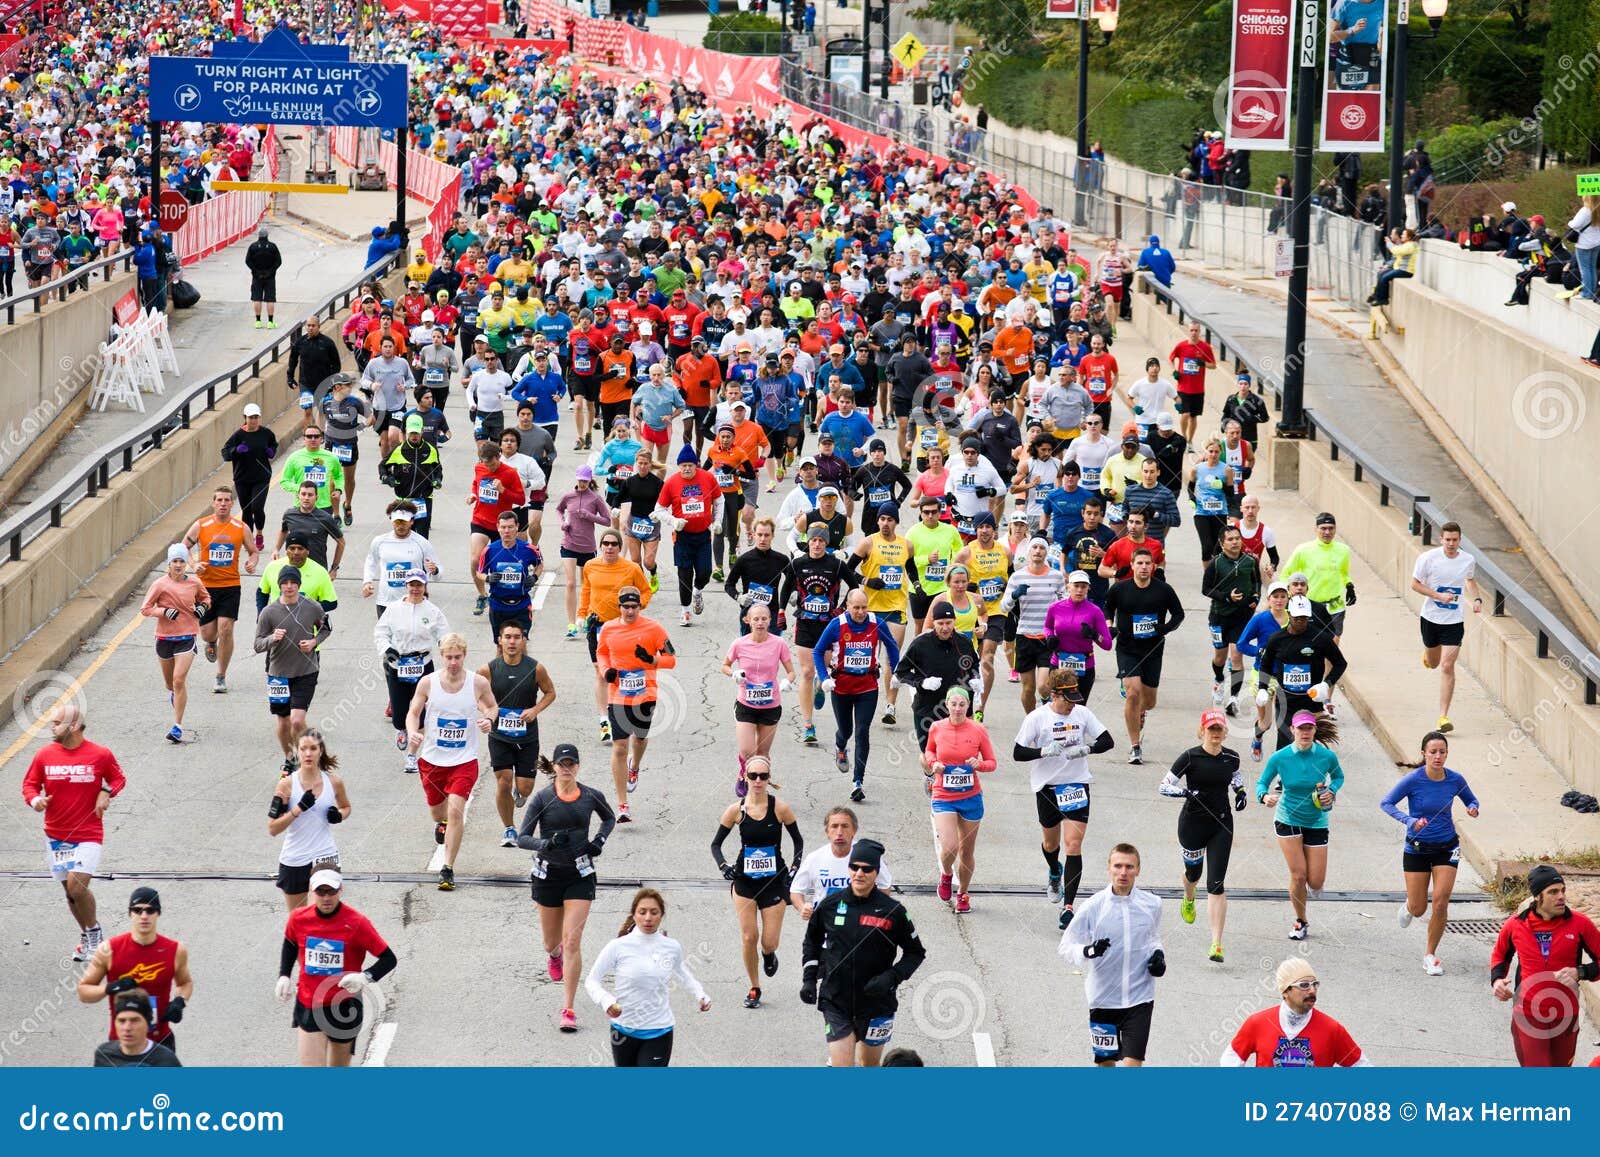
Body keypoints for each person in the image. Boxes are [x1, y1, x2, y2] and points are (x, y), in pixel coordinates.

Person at [799, 838, 926, 1068]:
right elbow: (812, 941)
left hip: (877, 1004)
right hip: (836, 1000)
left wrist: (891, 978)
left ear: (876, 873)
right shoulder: (830, 905)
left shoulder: (893, 912)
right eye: (854, 867)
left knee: (869, 1066)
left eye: (866, 869)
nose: (859, 873)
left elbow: (915, 953)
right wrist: (809, 979)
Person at [517, 744, 617, 1033]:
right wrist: (545, 844)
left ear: (578, 766)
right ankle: (553, 955)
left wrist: (599, 841)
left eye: (571, 763)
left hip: (580, 873)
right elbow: (522, 837)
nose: (566, 768)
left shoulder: (590, 796)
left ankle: (569, 1008)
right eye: (562, 763)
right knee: (553, 942)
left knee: (573, 941)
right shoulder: (543, 798)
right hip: (547, 874)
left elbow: (609, 818)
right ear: (556, 766)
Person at [23, 704, 125, 961]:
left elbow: (118, 778)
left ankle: (95, 933)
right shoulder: (44, 755)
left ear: (74, 726)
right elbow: (30, 785)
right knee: (69, 893)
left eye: (56, 723)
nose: (52, 727)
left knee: (77, 888)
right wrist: (35, 801)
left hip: (88, 833)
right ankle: (88, 935)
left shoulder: (100, 754)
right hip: (56, 836)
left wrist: (106, 792)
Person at [1013, 668, 1115, 924]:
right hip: (1047, 786)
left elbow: (1108, 741)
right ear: (1054, 695)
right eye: (1067, 700)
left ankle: (1068, 906)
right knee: (1051, 844)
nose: (1072, 706)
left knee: (1073, 845)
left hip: (1075, 784)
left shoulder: (1082, 714)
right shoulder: (1037, 718)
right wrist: (1043, 751)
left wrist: (1086, 748)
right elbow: (1017, 752)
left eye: (1075, 700)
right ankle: (1054, 870)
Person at [275, 869, 396, 1067]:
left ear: (341, 890)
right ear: (312, 892)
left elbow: (389, 959)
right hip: (309, 1003)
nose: (326, 897)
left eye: (331, 891)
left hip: (343, 1005)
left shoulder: (356, 923)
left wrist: (365, 977)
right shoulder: (298, 918)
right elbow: (290, 943)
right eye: (320, 892)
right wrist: (284, 975)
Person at [1383, 731, 1481, 975]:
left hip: (1447, 847)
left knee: (1440, 902)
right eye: (1433, 752)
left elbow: (1472, 800)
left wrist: (1472, 808)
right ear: (1424, 754)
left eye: (1442, 752)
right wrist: (1409, 820)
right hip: (1417, 848)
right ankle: (1409, 906)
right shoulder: (1413, 780)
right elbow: (1386, 803)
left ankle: (1430, 955)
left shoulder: (1455, 779)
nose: (1438, 756)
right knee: (1419, 909)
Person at [1058, 843, 1165, 1066]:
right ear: (1109, 868)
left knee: (1132, 1063)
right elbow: (1066, 946)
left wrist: (1158, 955)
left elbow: (1153, 937)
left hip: (1140, 998)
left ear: (1138, 869)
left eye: (1129, 867)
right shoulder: (1093, 906)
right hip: (1103, 1000)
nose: (1123, 872)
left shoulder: (1152, 904)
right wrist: (1089, 950)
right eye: (1118, 866)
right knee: (1106, 1065)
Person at [406, 632, 497, 892]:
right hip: (433, 759)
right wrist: (413, 730)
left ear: (464, 656)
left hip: (464, 760)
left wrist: (488, 720)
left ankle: (447, 867)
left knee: (456, 809)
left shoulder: (477, 683)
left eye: (458, 657)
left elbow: (492, 706)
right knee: (438, 811)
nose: (453, 662)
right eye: (449, 657)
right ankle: (441, 823)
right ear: (441, 657)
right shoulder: (428, 683)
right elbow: (413, 713)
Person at [712, 755, 803, 1009]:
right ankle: (754, 987)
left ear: (769, 779)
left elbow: (798, 841)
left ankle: (768, 954)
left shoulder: (780, 809)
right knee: (749, 936)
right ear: (745, 778)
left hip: (774, 882)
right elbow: (715, 844)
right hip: (744, 882)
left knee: (769, 941)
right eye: (753, 776)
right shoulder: (736, 811)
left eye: (763, 776)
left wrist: (794, 869)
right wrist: (723, 866)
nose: (758, 781)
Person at [584, 888, 711, 1067]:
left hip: (659, 1030)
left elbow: (684, 974)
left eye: (654, 912)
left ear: (661, 915)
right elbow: (592, 981)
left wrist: (701, 994)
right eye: (642, 912)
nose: (648, 918)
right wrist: (606, 1001)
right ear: (634, 915)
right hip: (623, 1030)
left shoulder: (671, 947)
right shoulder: (618, 946)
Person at [1490, 863, 1600, 1066]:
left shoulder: (1580, 924)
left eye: (1563, 890)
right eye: (1553, 892)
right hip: (1527, 1014)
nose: (1561, 896)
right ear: (1538, 896)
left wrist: (1581, 971)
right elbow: (1500, 956)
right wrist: (1497, 981)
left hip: (1566, 1015)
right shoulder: (1515, 925)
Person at [1162, 711, 1247, 962]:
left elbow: (1235, 775)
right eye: (1211, 729)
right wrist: (1186, 794)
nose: (1216, 733)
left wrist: (1240, 791)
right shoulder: (1190, 757)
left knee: (1216, 884)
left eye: (1219, 728)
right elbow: (1164, 785)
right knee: (1194, 874)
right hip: (1192, 824)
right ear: (1202, 731)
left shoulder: (1231, 757)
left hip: (1221, 823)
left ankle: (1216, 944)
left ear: (1225, 732)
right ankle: (1188, 897)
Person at [1256, 710, 1345, 941]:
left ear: (1314, 731)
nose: (1305, 733)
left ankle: (1311, 890)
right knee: (1298, 875)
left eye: (1309, 728)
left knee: (1315, 882)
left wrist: (1332, 792)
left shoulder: (1326, 756)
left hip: (1316, 820)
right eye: (1301, 728)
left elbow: (1338, 777)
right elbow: (1262, 783)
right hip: (1288, 819)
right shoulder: (1280, 757)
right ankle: (1301, 920)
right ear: (1292, 730)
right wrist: (1265, 797)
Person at [78, 887, 193, 1057]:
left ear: (158, 914)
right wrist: (109, 989)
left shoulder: (175, 950)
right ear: (130, 913)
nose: (144, 916)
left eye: (150, 910)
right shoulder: (109, 949)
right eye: (138, 910)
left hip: (160, 1042)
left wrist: (179, 1001)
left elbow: (185, 983)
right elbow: (83, 991)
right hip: (121, 1045)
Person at [593, 584, 675, 820]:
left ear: (640, 606)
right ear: (619, 608)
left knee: (639, 739)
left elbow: (672, 659)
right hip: (618, 695)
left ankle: (635, 767)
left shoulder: (654, 628)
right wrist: (607, 670)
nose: (630, 611)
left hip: (646, 694)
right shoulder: (608, 629)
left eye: (634, 607)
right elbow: (602, 652)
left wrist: (651, 659)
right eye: (626, 607)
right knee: (619, 746)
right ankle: (622, 805)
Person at [813, 587, 900, 802]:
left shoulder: (876, 622)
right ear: (848, 606)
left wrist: (897, 671)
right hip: (841, 686)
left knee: (862, 731)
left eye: (864, 607)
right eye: (856, 608)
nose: (860, 612)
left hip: (867, 687)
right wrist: (824, 677)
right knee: (846, 730)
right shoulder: (837, 625)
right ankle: (840, 746)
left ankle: (857, 781)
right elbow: (817, 651)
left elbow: (892, 647)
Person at [1103, 548, 1184, 764]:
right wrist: (1109, 625)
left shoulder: (1164, 590)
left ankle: (1141, 710)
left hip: (1153, 650)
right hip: (1127, 648)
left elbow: (1179, 614)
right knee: (1132, 693)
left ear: (1154, 566)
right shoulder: (1120, 589)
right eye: (1140, 563)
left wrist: (1164, 629)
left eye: (1148, 563)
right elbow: (1107, 609)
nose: (1144, 567)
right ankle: (1135, 746)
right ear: (1132, 565)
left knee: (1148, 701)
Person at [922, 685, 997, 914]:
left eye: (962, 704)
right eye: (953, 704)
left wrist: (979, 764)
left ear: (968, 706)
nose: (957, 709)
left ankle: (963, 892)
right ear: (946, 705)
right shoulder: (936, 727)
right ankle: (946, 875)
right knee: (950, 846)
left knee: (966, 852)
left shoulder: (978, 730)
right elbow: (929, 752)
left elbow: (992, 762)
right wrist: (934, 764)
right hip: (944, 795)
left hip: (971, 797)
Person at [481, 621, 556, 847]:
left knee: (524, 788)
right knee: (503, 782)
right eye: (508, 637)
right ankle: (509, 829)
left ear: (523, 641)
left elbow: (550, 693)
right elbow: (476, 696)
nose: (512, 642)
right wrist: (488, 713)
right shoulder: (488, 670)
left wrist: (535, 710)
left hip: (527, 737)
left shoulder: (535, 668)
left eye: (517, 637)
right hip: (499, 736)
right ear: (500, 641)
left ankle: (519, 794)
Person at [1221, 957, 1369, 1066]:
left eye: (1315, 984)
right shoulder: (1258, 1023)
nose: (1312, 990)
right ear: (1285, 991)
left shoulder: (1332, 1030)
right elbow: (1230, 1060)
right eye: (1304, 985)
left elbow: (1362, 1066)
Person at [255, 567, 332, 772]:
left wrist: (314, 642)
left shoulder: (312, 607)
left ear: (298, 584)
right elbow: (257, 644)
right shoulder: (269, 612)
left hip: (306, 670)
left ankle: (314, 750)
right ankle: (290, 758)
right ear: (279, 585)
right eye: (285, 583)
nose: (289, 587)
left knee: (297, 721)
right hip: (278, 674)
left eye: (293, 583)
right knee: (283, 721)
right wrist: (273, 638)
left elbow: (326, 628)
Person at [185, 485, 260, 694]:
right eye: (219, 500)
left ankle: (221, 676)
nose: (223, 504)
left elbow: (253, 551)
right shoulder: (201, 525)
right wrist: (193, 565)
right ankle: (211, 643)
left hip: (230, 586)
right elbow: (183, 549)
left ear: (232, 503)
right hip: (205, 588)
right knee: (208, 633)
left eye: (227, 500)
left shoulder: (241, 527)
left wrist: (251, 563)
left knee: (226, 629)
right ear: (213, 503)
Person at [267, 728, 351, 910]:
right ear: (297, 751)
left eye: (313, 749)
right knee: (298, 921)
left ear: (320, 751)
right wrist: (298, 809)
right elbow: (273, 828)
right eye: (303, 748)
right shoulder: (286, 785)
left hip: (324, 855)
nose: (308, 754)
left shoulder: (334, 782)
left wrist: (338, 816)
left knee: (323, 914)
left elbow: (346, 807)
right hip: (295, 857)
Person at [1410, 521, 1481, 732]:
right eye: (1447, 540)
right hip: (1431, 618)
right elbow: (1414, 584)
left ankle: (1443, 717)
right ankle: (1427, 654)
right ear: (1441, 539)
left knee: (1447, 666)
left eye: (1455, 540)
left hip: (1454, 621)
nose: (1451, 544)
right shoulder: (1428, 559)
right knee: (1433, 663)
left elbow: (1469, 580)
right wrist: (1437, 595)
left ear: (1460, 540)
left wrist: (1476, 598)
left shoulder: (1468, 560)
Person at [375, 571, 448, 768]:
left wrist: (446, 649)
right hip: (397, 665)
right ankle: (403, 729)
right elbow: (380, 632)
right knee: (399, 714)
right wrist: (387, 649)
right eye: (412, 585)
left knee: (421, 713)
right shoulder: (393, 609)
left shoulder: (432, 611)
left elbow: (444, 634)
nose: (415, 589)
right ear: (406, 586)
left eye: (419, 585)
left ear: (425, 587)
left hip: (422, 665)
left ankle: (412, 755)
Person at [139, 544, 211, 743]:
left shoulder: (194, 583)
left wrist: (202, 608)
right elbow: (145, 609)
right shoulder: (160, 584)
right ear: (169, 564)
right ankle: (174, 694)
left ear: (186, 563)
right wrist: (163, 612)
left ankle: (177, 726)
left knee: (179, 680)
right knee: (170, 683)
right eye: (175, 561)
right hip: (164, 638)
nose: (178, 565)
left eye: (181, 561)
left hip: (187, 636)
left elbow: (206, 598)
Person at [1258, 595, 1348, 750]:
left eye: (1305, 617)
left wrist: (1326, 685)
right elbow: (1265, 665)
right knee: (1285, 744)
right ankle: (1284, 773)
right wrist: (1262, 688)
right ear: (1289, 614)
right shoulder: (1276, 639)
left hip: (1311, 700)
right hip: (1285, 699)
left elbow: (1341, 663)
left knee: (1307, 745)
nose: (1301, 621)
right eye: (1297, 617)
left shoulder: (1320, 638)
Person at [723, 602, 797, 780]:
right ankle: (744, 774)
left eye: (764, 619)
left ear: (770, 621)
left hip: (770, 705)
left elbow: (791, 671)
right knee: (747, 751)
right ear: (748, 620)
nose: (760, 622)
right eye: (756, 619)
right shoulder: (739, 644)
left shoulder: (779, 643)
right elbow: (724, 665)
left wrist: (787, 681)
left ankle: (758, 787)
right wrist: (734, 674)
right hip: (745, 704)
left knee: (762, 753)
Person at [894, 601, 983, 749]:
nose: (945, 628)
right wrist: (922, 682)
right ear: (933, 622)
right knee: (929, 758)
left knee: (954, 755)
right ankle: (928, 773)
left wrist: (975, 678)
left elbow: (974, 665)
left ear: (955, 621)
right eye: (940, 623)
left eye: (949, 623)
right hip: (927, 709)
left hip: (956, 710)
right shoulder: (920, 644)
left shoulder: (964, 643)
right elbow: (900, 672)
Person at [789, 807, 895, 919]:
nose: (839, 832)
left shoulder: (868, 855)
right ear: (827, 832)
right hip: (826, 924)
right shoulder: (814, 858)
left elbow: (885, 885)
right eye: (834, 826)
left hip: (858, 923)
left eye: (845, 826)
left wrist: (874, 911)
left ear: (854, 830)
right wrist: (802, 907)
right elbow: (796, 890)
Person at [1202, 525, 1260, 713]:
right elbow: (1206, 589)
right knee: (1220, 656)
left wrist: (1255, 597)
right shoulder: (1216, 564)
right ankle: (1219, 679)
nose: (1235, 542)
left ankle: (1233, 698)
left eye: (1237, 538)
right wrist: (1226, 597)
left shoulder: (1250, 561)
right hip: (1219, 616)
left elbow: (1256, 582)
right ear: (1222, 543)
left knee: (1236, 655)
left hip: (1242, 617)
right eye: (1230, 539)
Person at [468, 441, 527, 616]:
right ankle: (481, 595)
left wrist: (503, 490)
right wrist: (473, 495)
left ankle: (505, 597)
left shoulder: (510, 473)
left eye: (492, 464)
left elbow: (521, 500)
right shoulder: (479, 468)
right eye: (486, 464)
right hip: (480, 520)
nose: (489, 467)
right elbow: (475, 483)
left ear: (498, 457)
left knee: (503, 565)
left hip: (502, 525)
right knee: (475, 559)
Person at [1283, 511, 1355, 649]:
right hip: (1311, 606)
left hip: (1335, 606)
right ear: (1316, 529)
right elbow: (1286, 574)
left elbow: (1344, 573)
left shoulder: (1344, 550)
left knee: (1333, 645)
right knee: (1309, 645)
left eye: (1331, 528)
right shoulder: (1303, 550)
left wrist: (1349, 586)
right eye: (1323, 528)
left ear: (1335, 529)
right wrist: (1290, 595)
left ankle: (1329, 671)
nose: (1327, 532)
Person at [362, 501, 442, 615]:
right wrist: (367, 582)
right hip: (386, 602)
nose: (400, 526)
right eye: (397, 522)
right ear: (391, 520)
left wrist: (435, 571)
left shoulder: (422, 543)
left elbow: (438, 575)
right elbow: (371, 562)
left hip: (414, 602)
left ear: (412, 521)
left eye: (404, 522)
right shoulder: (379, 541)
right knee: (384, 633)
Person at [477, 510, 543, 642]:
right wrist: (488, 578)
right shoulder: (489, 550)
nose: (507, 531)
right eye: (503, 527)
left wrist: (534, 577)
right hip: (498, 604)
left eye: (510, 527)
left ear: (517, 527)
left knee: (521, 643)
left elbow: (539, 565)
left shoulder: (529, 549)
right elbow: (479, 573)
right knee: (501, 645)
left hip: (521, 605)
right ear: (498, 528)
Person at [221, 403, 278, 549]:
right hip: (242, 478)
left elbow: (273, 445)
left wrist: (271, 451)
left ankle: (259, 533)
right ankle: (248, 538)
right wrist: (236, 451)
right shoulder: (238, 435)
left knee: (257, 508)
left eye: (256, 417)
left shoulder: (266, 433)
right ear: (245, 418)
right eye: (250, 417)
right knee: (246, 509)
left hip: (261, 477)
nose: (253, 420)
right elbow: (225, 454)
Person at [92, 991, 181, 1067]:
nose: (127, 1028)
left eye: (134, 1020)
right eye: (121, 1021)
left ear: (148, 1023)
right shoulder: (104, 1054)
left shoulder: (166, 1059)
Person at [245, 225, 282, 328]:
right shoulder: (272, 246)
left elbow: (248, 261)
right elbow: (278, 261)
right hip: (270, 277)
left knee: (257, 298)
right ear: (267, 235)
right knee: (270, 299)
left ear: (259, 235)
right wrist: (270, 271)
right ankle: (270, 322)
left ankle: (258, 321)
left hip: (257, 277)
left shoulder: (253, 246)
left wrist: (256, 271)